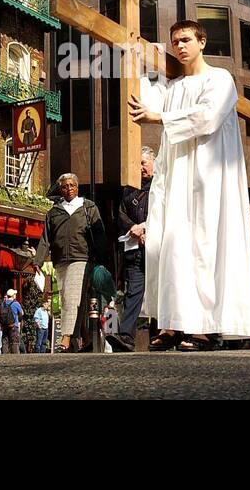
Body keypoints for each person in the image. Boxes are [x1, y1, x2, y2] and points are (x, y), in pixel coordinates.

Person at [129, 19, 250, 351]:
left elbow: (208, 117)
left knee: (205, 244)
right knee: (172, 244)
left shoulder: (220, 79)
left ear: (202, 42)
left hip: (209, 176)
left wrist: (160, 117)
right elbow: (144, 97)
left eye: (186, 39)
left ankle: (204, 326)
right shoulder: (172, 87)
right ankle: (174, 322)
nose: (180, 46)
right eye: (175, 42)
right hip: (176, 176)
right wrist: (137, 56)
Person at [36, 172, 106, 352]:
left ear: (77, 187)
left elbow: (99, 234)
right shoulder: (54, 212)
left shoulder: (88, 207)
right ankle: (86, 337)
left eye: (72, 185)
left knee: (70, 296)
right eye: (65, 186)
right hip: (60, 260)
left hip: (81, 258)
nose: (69, 189)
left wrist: (101, 257)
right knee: (74, 299)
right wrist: (38, 260)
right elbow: (46, 238)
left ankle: (65, 338)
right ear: (60, 189)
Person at [112, 147, 155, 351]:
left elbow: (164, 213)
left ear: (153, 163)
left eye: (143, 163)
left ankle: (161, 335)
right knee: (133, 293)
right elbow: (120, 214)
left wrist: (146, 228)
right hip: (134, 249)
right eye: (137, 164)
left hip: (156, 249)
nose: (140, 168)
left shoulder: (161, 186)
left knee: (161, 291)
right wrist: (134, 229)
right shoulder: (129, 189)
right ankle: (126, 336)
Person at [3, 288, 23, 354]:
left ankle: (4, 356)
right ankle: (15, 356)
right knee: (14, 342)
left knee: (5, 341)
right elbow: (21, 313)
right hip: (14, 325)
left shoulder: (3, 303)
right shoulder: (16, 303)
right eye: (15, 294)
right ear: (13, 295)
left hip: (5, 325)